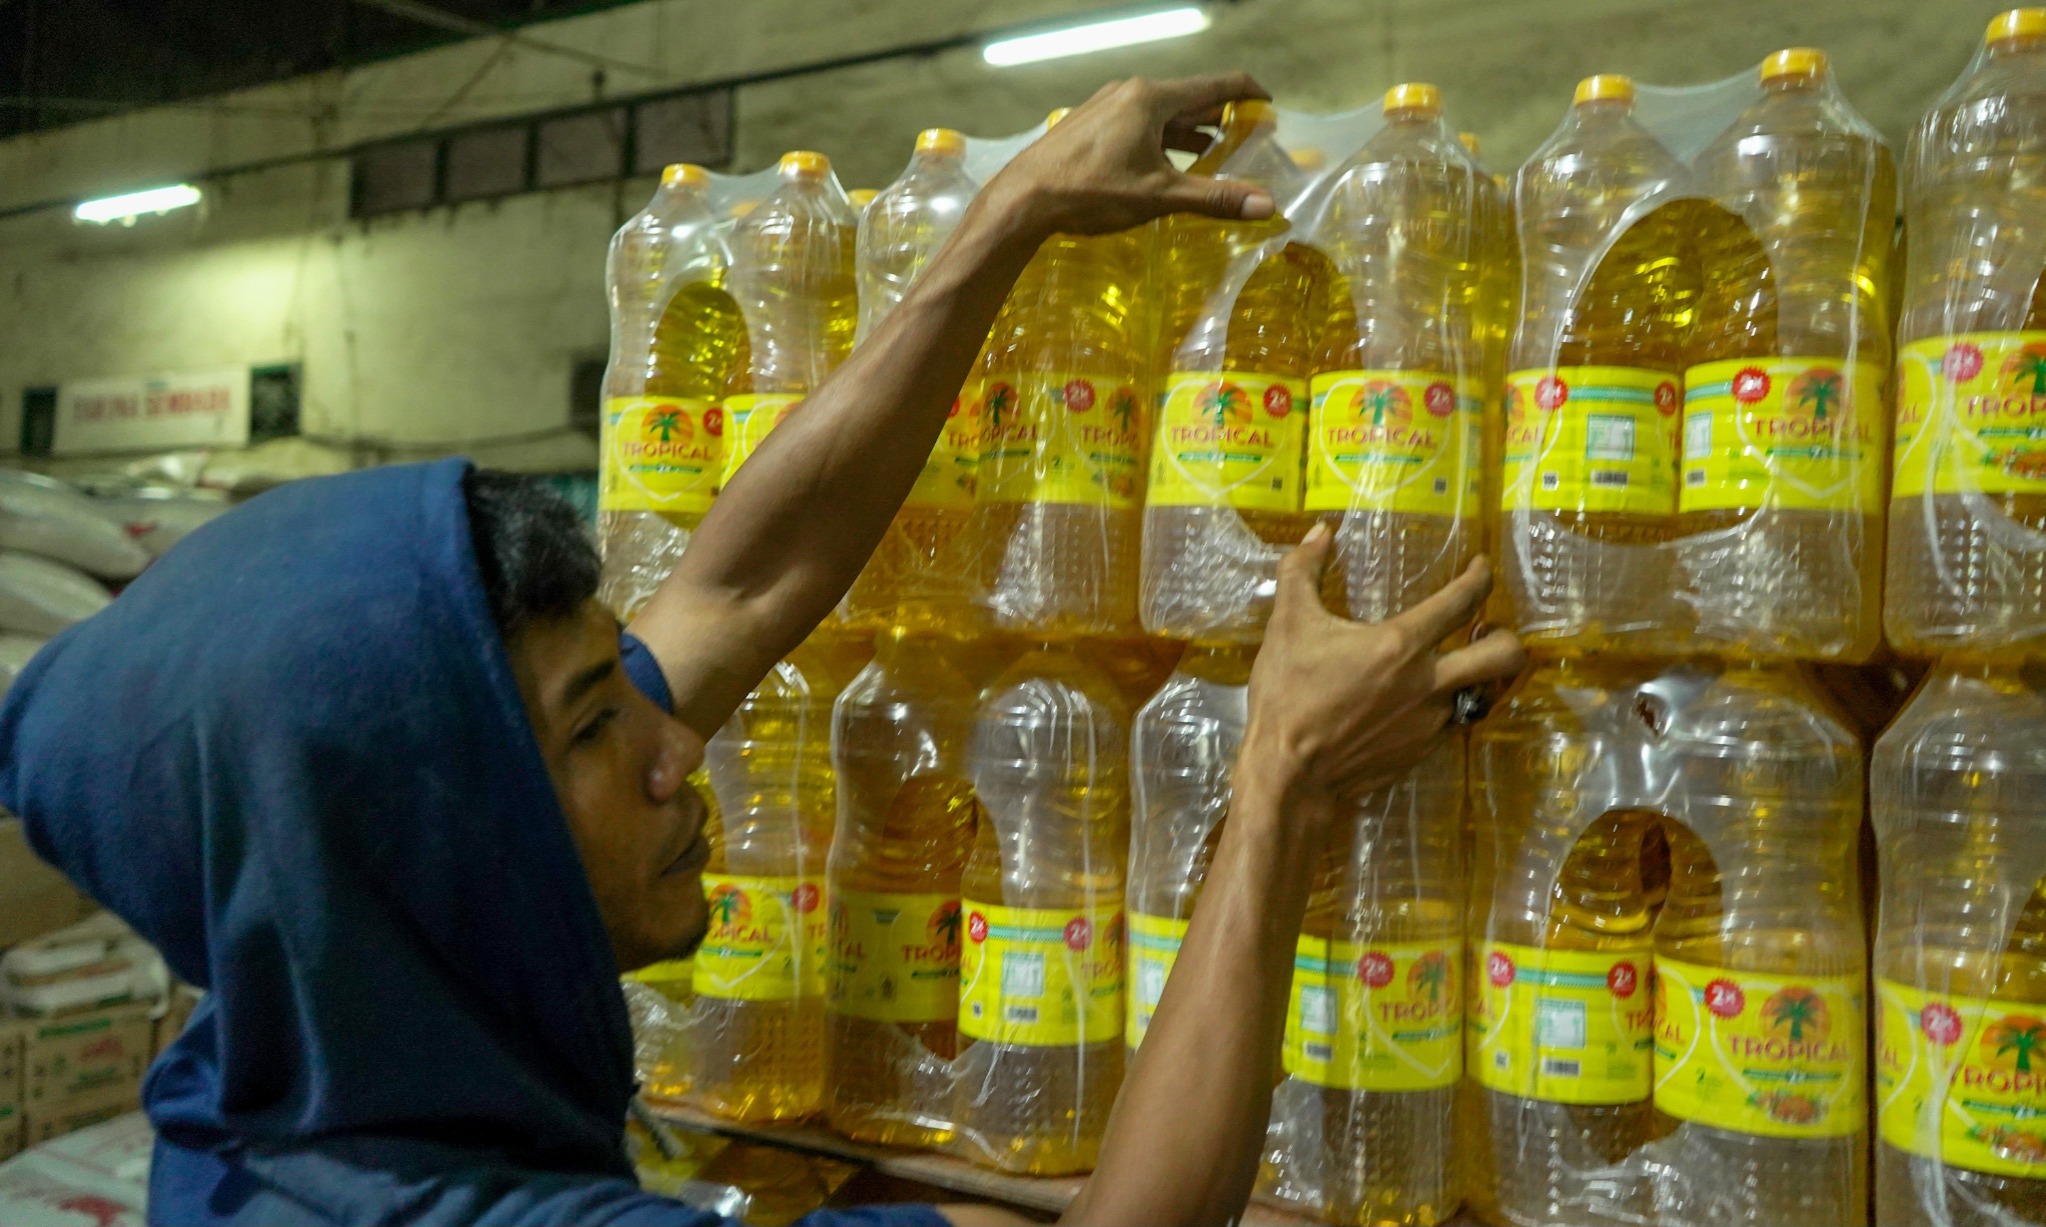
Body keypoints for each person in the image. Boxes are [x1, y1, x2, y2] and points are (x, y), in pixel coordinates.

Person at [0, 73, 1524, 1227]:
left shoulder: (262, 1076)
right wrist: (1280, 783)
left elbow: (739, 586)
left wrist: (1010, 220)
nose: (682, 747)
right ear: (432, 860)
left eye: (622, 689)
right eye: (600, 728)